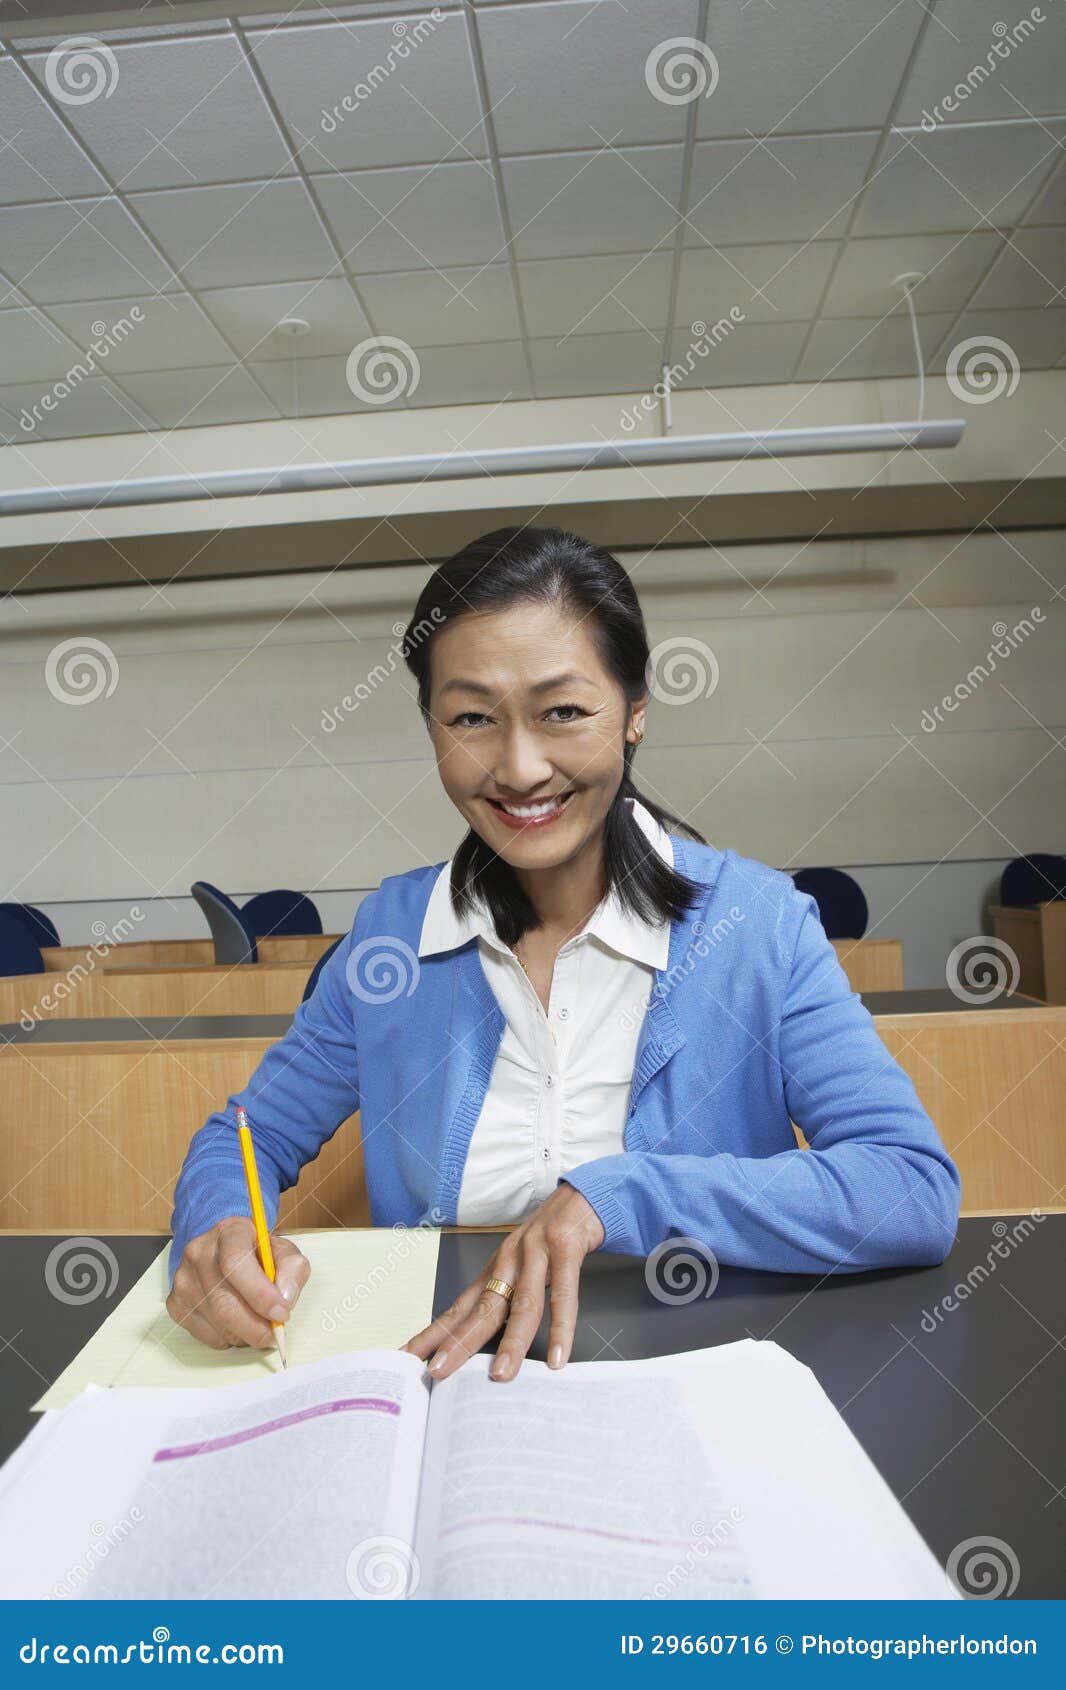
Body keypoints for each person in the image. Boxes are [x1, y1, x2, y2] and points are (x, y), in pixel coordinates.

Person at [166, 524, 960, 1380]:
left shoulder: (760, 925)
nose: (518, 766)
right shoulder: (393, 935)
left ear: (636, 711)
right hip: (446, 1370)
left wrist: (619, 1194)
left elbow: (910, 1188)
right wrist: (218, 1231)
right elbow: (243, 1138)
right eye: (472, 717)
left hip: (698, 1367)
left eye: (564, 712)